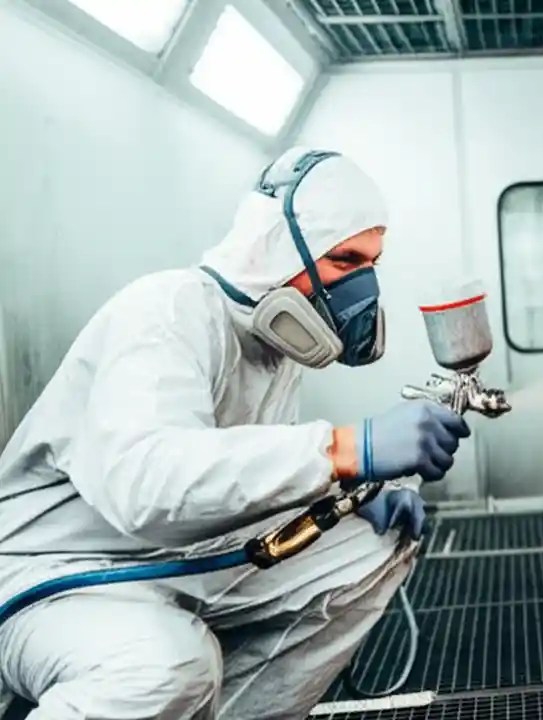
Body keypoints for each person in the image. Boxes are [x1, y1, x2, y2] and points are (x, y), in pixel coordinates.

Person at [0, 148, 469, 718]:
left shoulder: (276, 349)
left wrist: (341, 497)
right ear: (278, 249)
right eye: (346, 261)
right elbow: (152, 485)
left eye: (372, 264)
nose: (363, 286)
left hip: (177, 556)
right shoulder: (166, 311)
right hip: (57, 581)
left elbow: (236, 479)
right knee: (167, 667)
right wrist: (348, 450)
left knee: (371, 542)